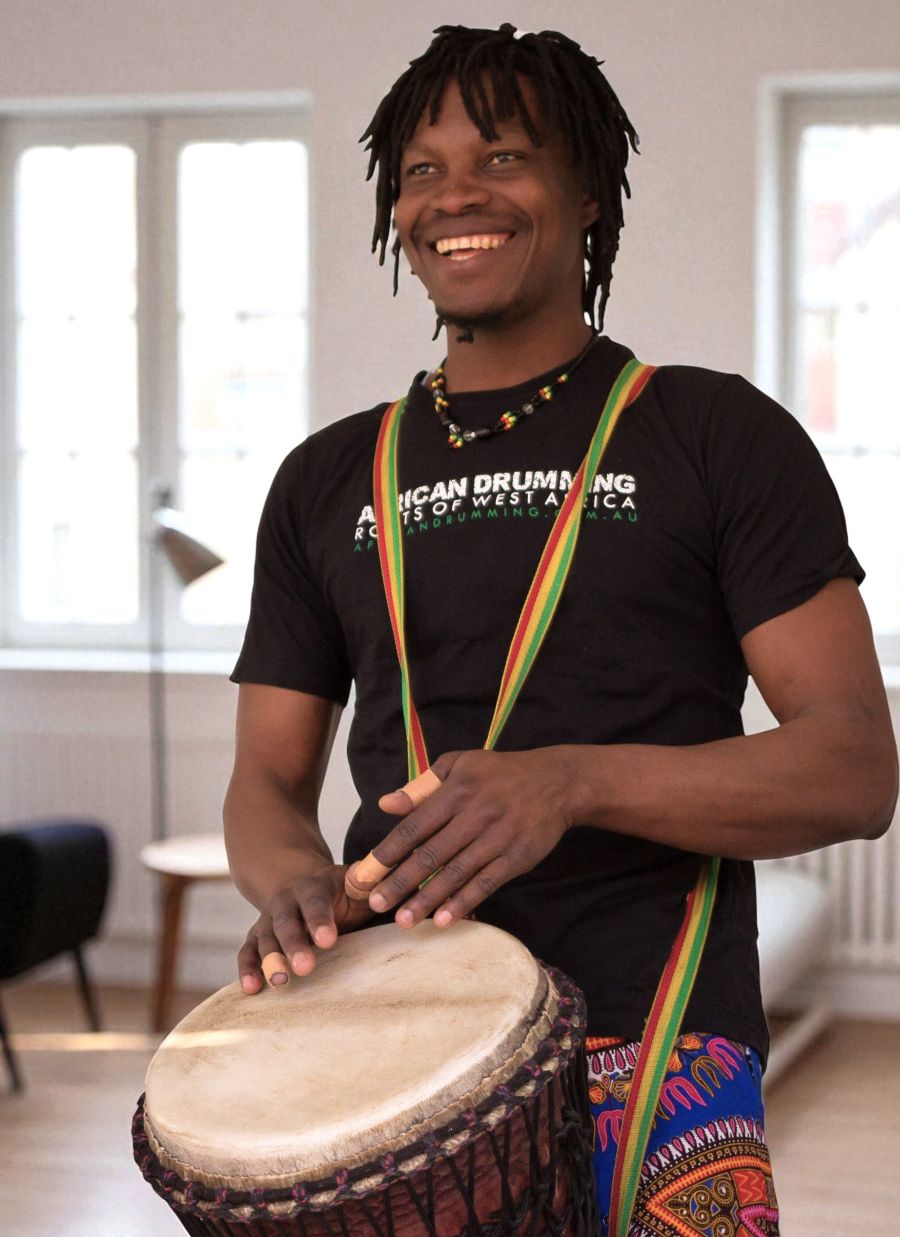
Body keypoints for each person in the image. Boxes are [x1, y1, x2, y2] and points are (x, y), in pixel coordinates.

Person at [224, 23, 897, 1236]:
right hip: (396, 1039)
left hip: (658, 1034)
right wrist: (294, 889)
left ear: (586, 191)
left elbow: (853, 767)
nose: (455, 196)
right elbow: (266, 783)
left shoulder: (713, 434)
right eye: (421, 170)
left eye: (504, 157)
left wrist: (568, 783)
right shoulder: (325, 478)